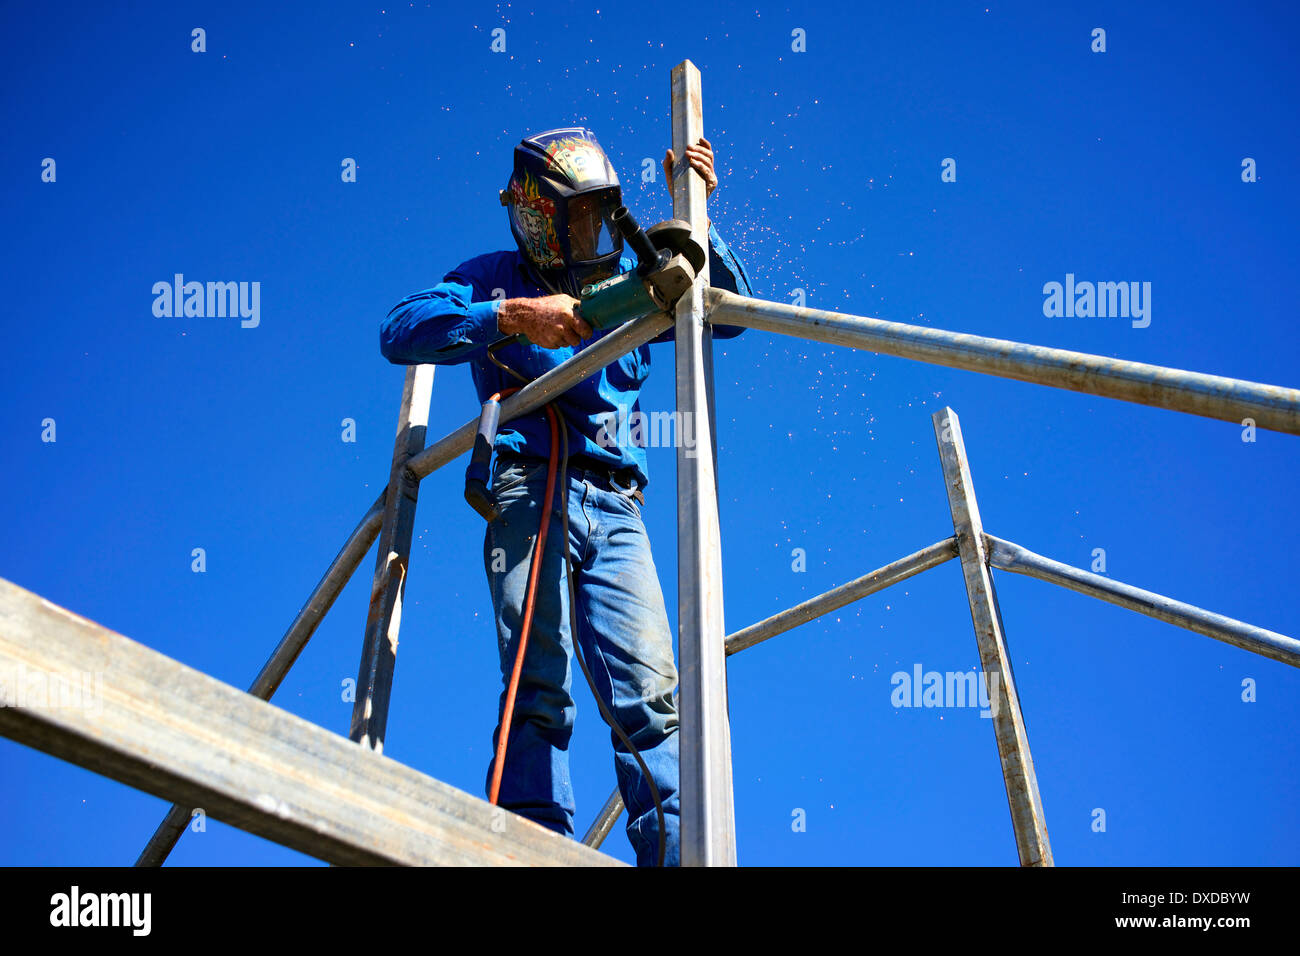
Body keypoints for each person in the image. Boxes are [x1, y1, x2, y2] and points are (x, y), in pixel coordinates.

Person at [379, 127, 754, 866]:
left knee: (650, 699)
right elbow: (400, 332)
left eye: (598, 220)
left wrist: (699, 214)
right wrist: (512, 316)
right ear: (535, 219)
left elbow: (728, 310)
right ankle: (535, 849)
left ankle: (681, 855)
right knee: (537, 680)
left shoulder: (634, 276)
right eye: (574, 222)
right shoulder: (493, 277)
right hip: (526, 489)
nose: (591, 240)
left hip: (616, 505)